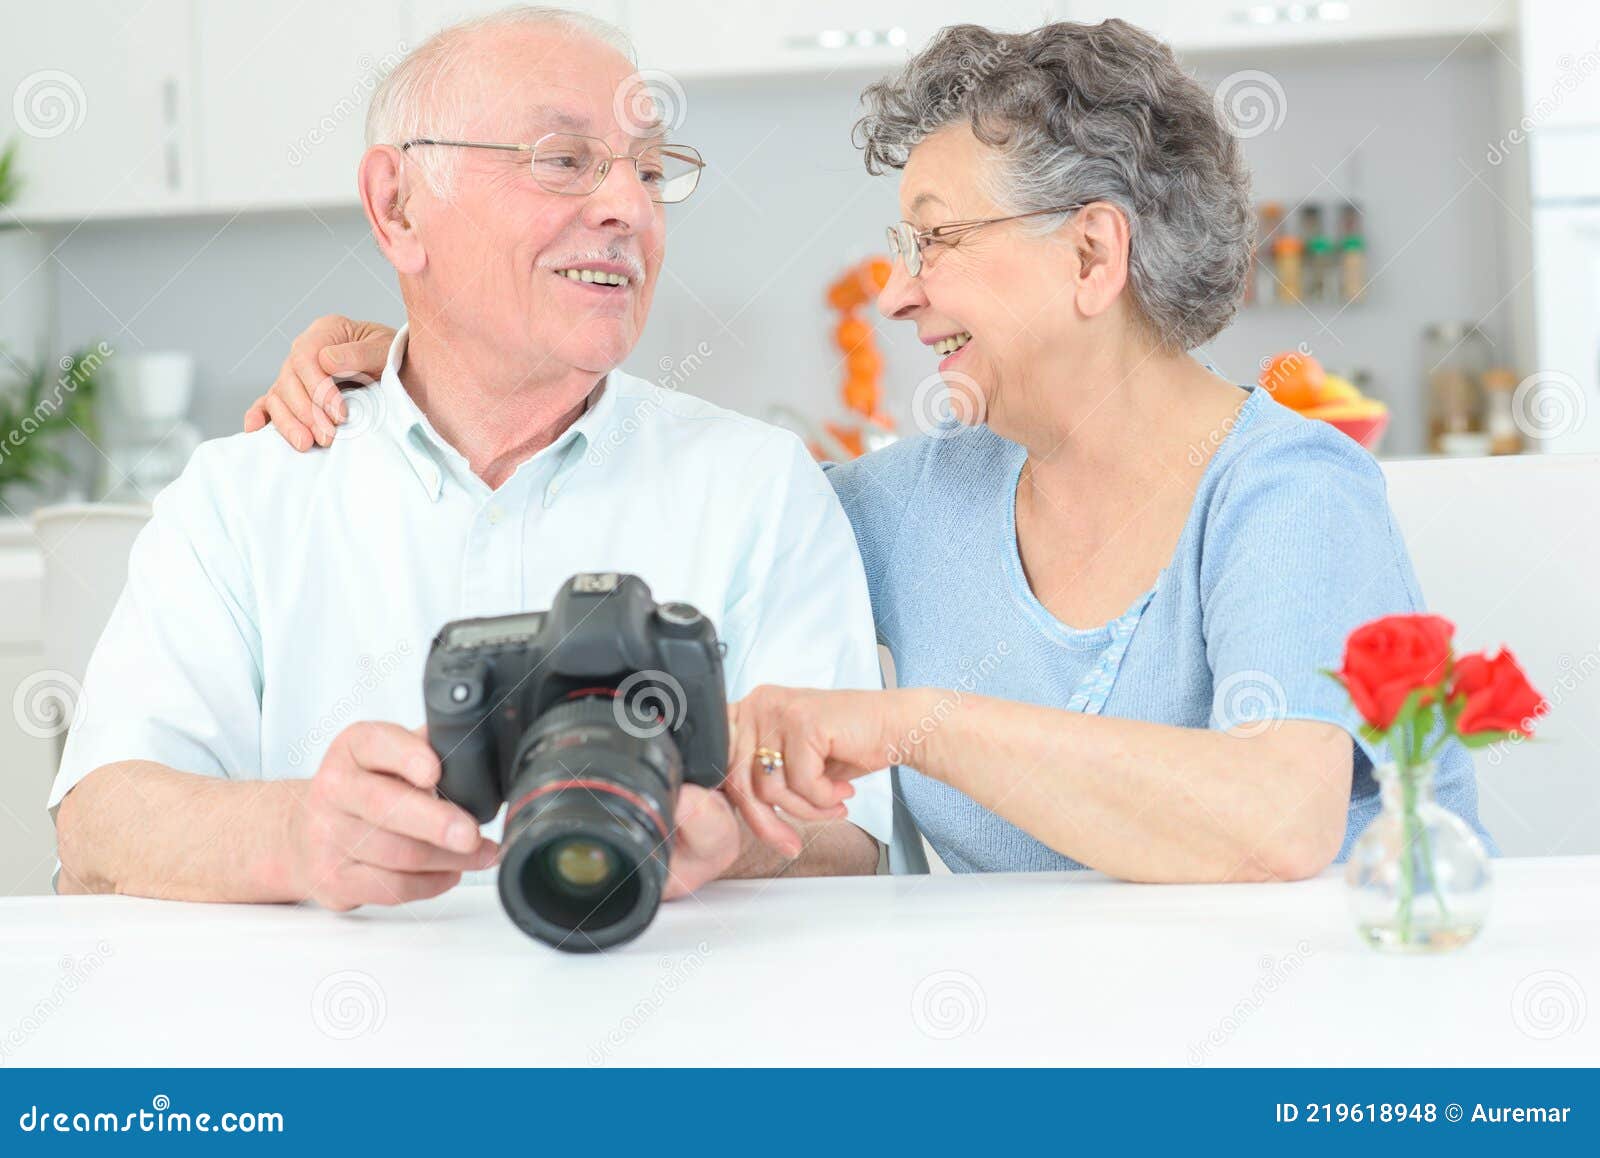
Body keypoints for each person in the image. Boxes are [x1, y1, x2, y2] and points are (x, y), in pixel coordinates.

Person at [250, 18, 1491, 882]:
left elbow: (1274, 818)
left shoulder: (1288, 492)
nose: (897, 293)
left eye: (937, 240)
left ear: (1092, 258)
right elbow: (652, 482)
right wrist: (425, 356)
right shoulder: (917, 500)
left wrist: (914, 727)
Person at [50, 6, 892, 911]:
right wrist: (298, 837)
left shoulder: (759, 484)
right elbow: (99, 825)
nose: (629, 208)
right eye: (564, 160)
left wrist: (736, 843)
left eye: (648, 172)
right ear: (396, 206)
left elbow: (852, 834)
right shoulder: (244, 496)